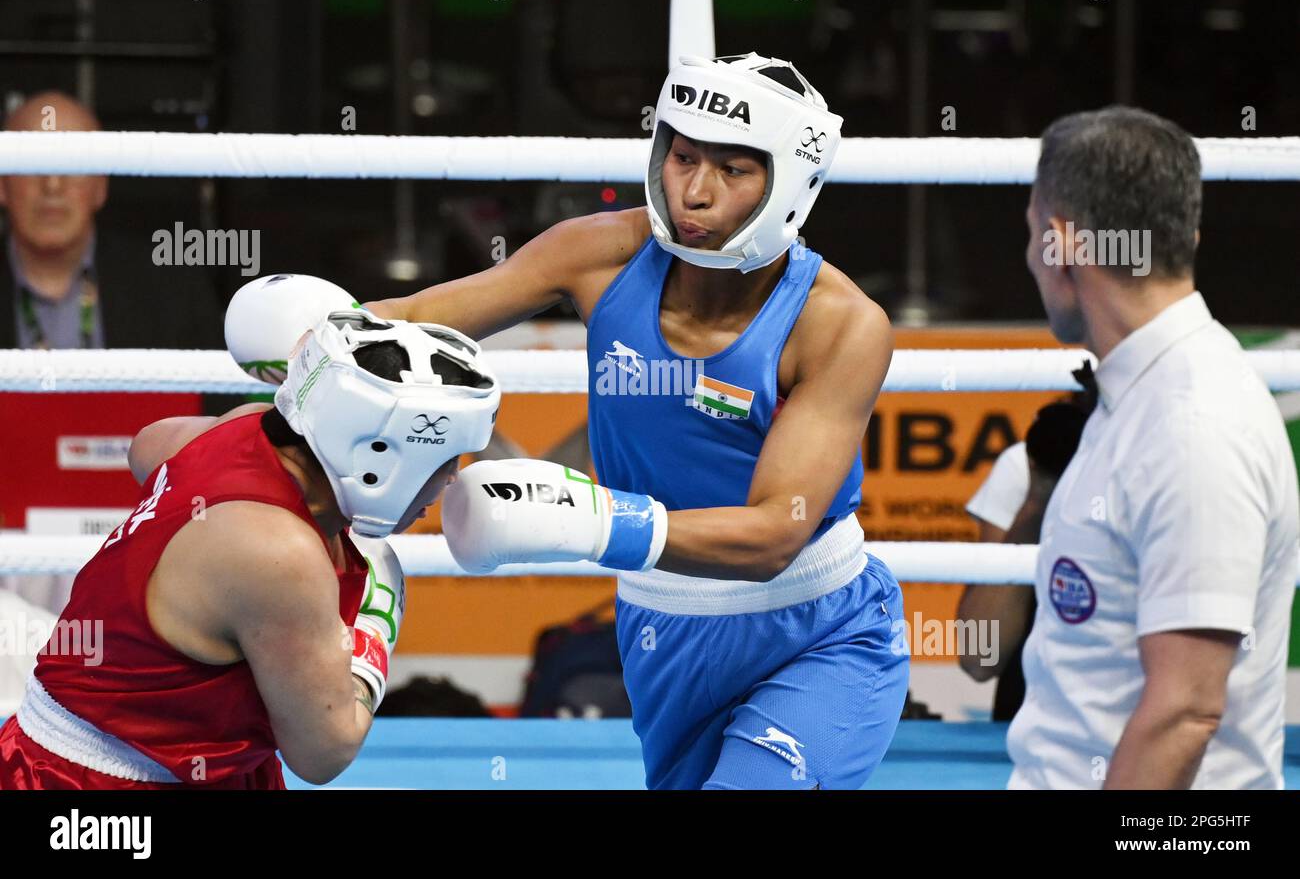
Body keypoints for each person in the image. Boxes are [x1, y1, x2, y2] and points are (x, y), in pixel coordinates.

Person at [366, 52, 909, 789]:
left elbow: (777, 530)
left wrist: (590, 519)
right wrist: (309, 334)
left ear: (789, 183)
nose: (696, 191)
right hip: (663, 629)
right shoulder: (598, 253)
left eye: (734, 170)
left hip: (818, 630)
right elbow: (411, 320)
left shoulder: (838, 324)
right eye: (683, 157)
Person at [0, 309, 500, 788]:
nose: (453, 477)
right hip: (100, 787)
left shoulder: (240, 427)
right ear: (379, 456)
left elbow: (147, 445)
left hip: (210, 766)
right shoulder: (277, 554)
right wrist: (374, 628)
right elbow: (324, 754)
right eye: (444, 458)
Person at [1008, 106, 1299, 789]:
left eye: (1030, 235)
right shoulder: (1136, 398)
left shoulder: (1194, 423)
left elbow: (1185, 710)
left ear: (1060, 244)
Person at [0, 90, 221, 351]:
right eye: (32, 162)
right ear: (2, 184)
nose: (53, 185)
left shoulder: (175, 289)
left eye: (72, 163)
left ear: (101, 186)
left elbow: (222, 390)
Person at [958, 380, 1093, 721]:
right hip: (1029, 719)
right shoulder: (1027, 464)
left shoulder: (1166, 466)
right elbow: (979, 658)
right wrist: (1039, 499)